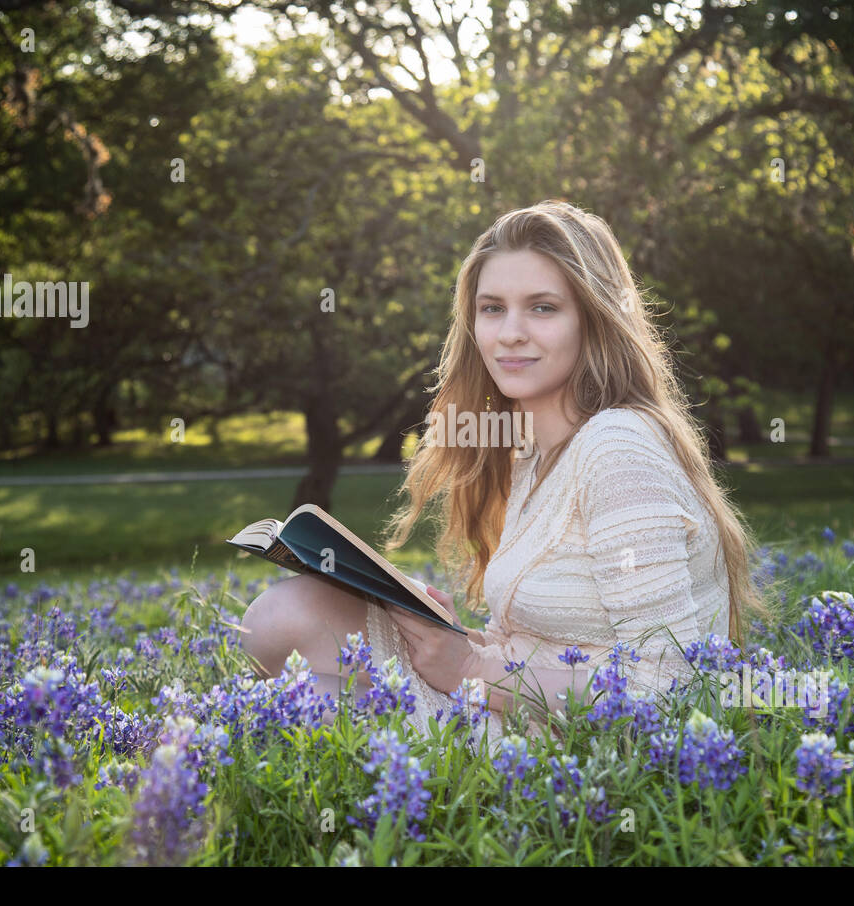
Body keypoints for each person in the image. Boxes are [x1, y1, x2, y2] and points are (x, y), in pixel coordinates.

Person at [239, 199, 761, 752]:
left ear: (595, 317)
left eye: (542, 308)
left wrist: (468, 667)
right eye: (492, 308)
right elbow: (547, 644)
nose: (510, 333)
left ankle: (344, 802)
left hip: (589, 754)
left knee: (310, 686)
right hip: (519, 705)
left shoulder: (617, 447)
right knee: (284, 619)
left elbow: (674, 689)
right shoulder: (538, 451)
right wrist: (433, 625)